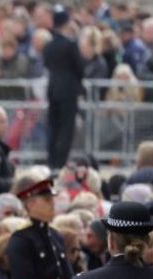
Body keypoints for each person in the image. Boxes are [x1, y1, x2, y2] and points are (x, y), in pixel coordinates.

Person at [43, 6, 84, 170]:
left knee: (53, 126)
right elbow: (80, 68)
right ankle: (60, 162)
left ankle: (51, 159)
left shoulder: (49, 46)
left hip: (52, 87)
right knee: (66, 127)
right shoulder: (70, 45)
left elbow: (46, 64)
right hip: (68, 90)